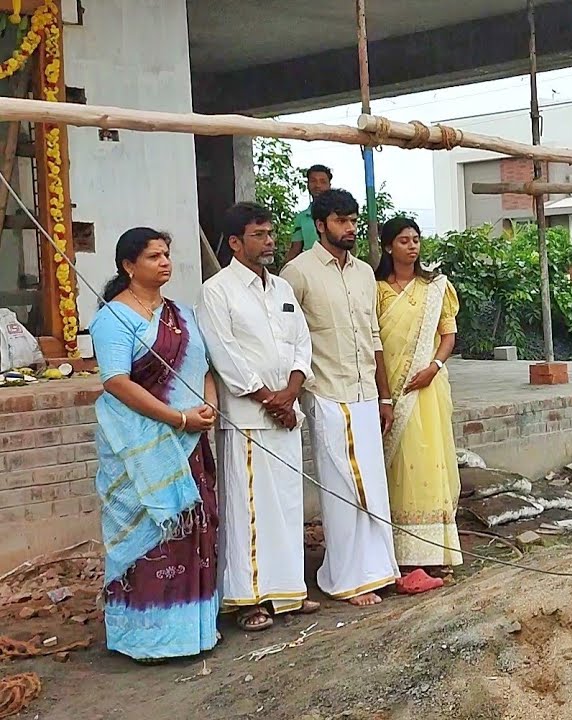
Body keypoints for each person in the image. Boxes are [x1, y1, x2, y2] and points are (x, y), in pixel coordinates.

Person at [89, 227, 220, 663]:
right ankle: (143, 637)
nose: (164, 262)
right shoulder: (113, 318)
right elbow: (117, 383)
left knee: (192, 532)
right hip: (139, 448)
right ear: (128, 265)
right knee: (147, 533)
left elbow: (203, 367)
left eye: (166, 254)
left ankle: (192, 630)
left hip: (189, 443)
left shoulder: (181, 314)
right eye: (153, 256)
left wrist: (206, 408)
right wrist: (177, 417)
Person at [197, 201, 320, 632]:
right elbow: (224, 354)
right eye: (259, 235)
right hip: (250, 416)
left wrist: (291, 393)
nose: (269, 242)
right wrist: (269, 397)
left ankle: (288, 591)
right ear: (235, 242)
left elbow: (301, 343)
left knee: (286, 505)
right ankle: (249, 599)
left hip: (286, 414)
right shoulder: (218, 290)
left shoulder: (283, 289)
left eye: (271, 234)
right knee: (249, 508)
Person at [280, 188, 400, 606]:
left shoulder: (365, 272)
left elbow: (373, 336)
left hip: (366, 391)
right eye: (341, 221)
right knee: (342, 487)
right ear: (320, 224)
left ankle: (379, 570)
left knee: (372, 484)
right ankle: (346, 579)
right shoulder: (297, 273)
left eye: (353, 221)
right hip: (326, 391)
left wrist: (385, 397)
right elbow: (288, 339)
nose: (350, 228)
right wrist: (294, 393)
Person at [374, 216, 463, 584]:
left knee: (430, 462)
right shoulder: (376, 289)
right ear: (388, 246)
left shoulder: (436, 287)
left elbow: (448, 334)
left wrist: (434, 366)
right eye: (404, 240)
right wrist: (383, 393)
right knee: (398, 467)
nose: (412, 246)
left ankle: (435, 551)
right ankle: (401, 553)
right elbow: (374, 342)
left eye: (416, 240)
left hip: (427, 386)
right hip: (390, 385)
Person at [283, 164, 333, 263]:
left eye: (323, 182)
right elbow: (295, 249)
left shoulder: (340, 214)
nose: (317, 185)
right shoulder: (302, 217)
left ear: (329, 186)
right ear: (308, 184)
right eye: (313, 181)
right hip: (310, 267)